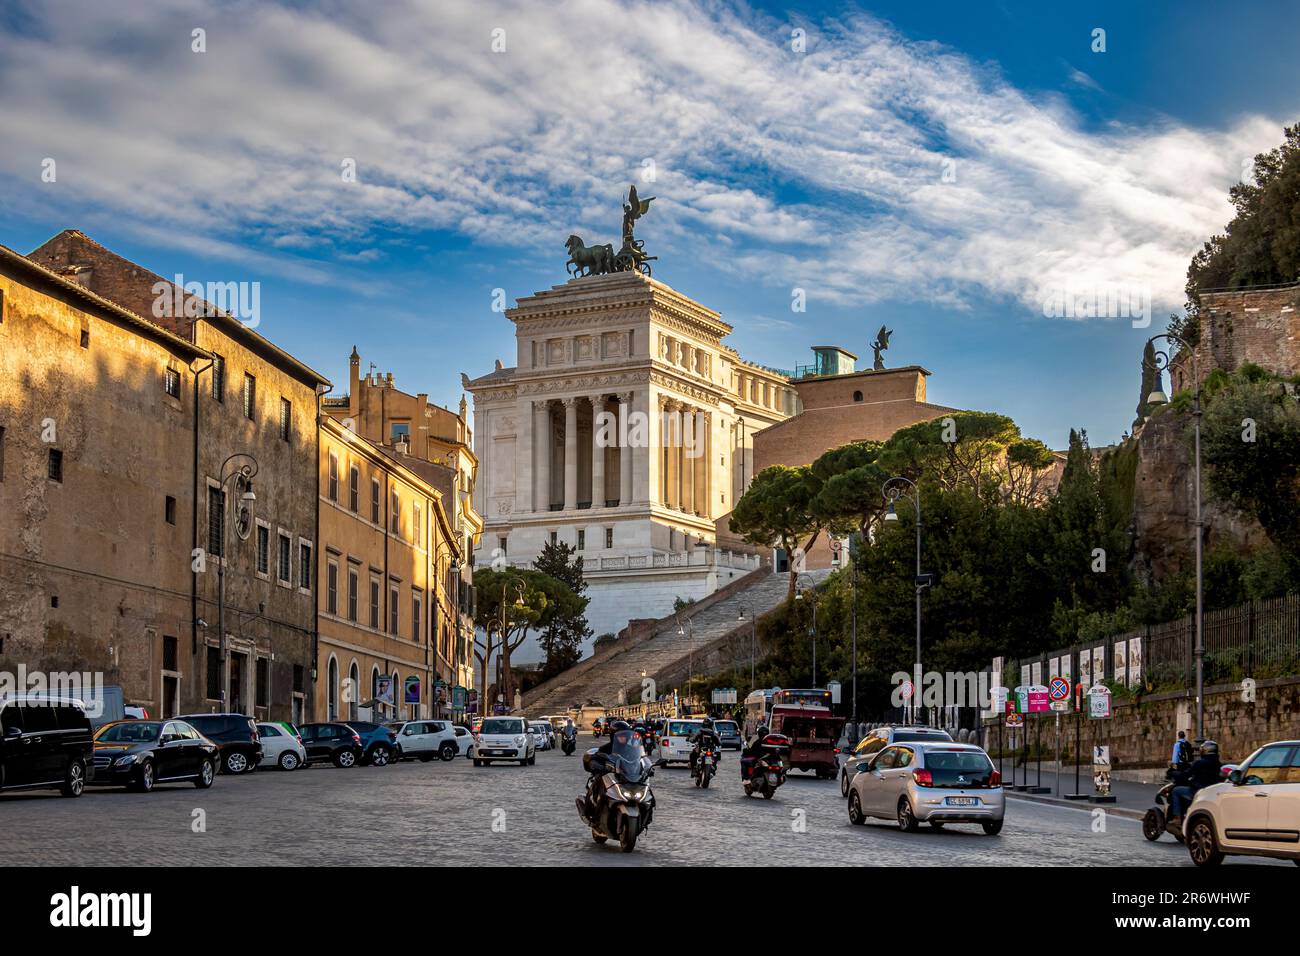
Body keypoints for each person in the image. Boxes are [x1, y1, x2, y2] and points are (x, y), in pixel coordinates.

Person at [1168, 739, 1222, 824]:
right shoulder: (1218, 764)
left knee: (1176, 791)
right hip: (1210, 792)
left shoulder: (1199, 763)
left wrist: (1173, 773)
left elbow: (1186, 775)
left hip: (1197, 791)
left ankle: (1177, 818)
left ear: (1205, 751)